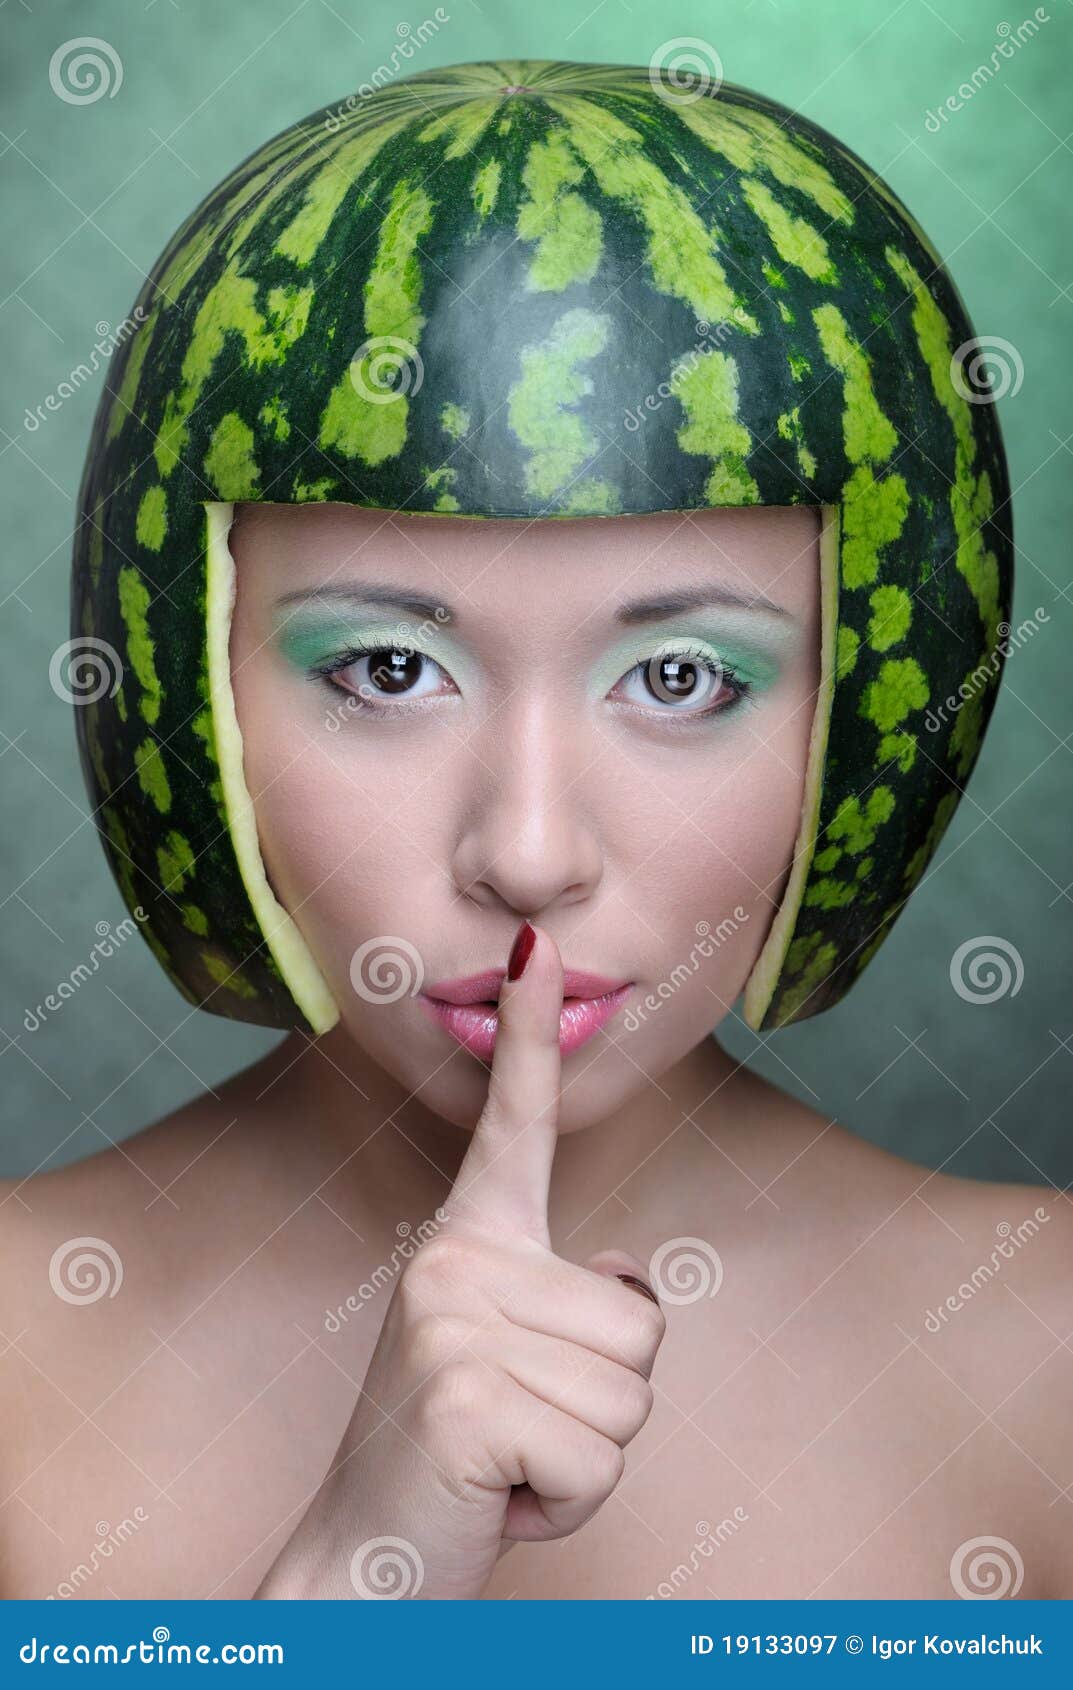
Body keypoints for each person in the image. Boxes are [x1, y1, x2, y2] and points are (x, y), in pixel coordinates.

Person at [4, 497, 1067, 1600]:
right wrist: (355, 1586)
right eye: (387, 669)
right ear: (195, 682)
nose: (525, 855)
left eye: (678, 676)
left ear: (859, 714)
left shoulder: (1046, 1350)